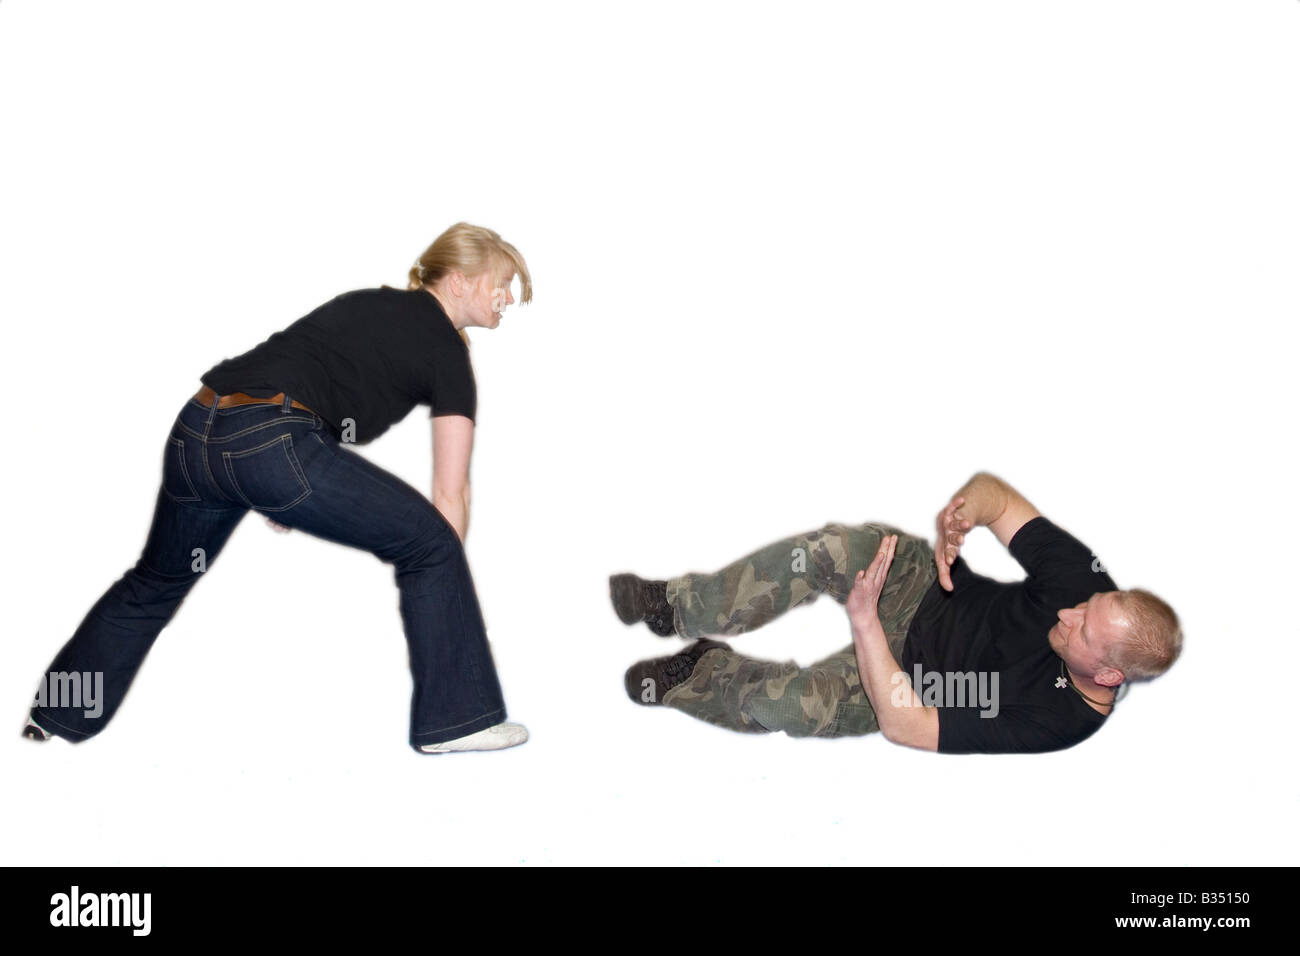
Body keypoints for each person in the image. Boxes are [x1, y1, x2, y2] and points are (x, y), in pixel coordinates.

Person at [25, 222, 533, 755]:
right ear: (457, 282)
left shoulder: (363, 303)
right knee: (431, 542)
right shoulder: (446, 350)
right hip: (270, 446)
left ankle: (51, 716)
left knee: (155, 581)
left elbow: (309, 378)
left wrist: (285, 479)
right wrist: (443, 575)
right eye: (500, 282)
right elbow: (451, 493)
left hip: (198, 428)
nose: (509, 297)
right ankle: (459, 718)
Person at [611, 472, 1182, 754]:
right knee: (823, 552)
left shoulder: (1062, 721)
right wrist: (965, 515)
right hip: (924, 588)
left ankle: (702, 672)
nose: (1071, 611)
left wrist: (865, 625)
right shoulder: (1087, 588)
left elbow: (908, 726)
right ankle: (678, 606)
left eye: (1083, 627)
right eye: (1089, 603)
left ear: (1107, 674)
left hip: (906, 686)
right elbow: (995, 495)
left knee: (775, 703)